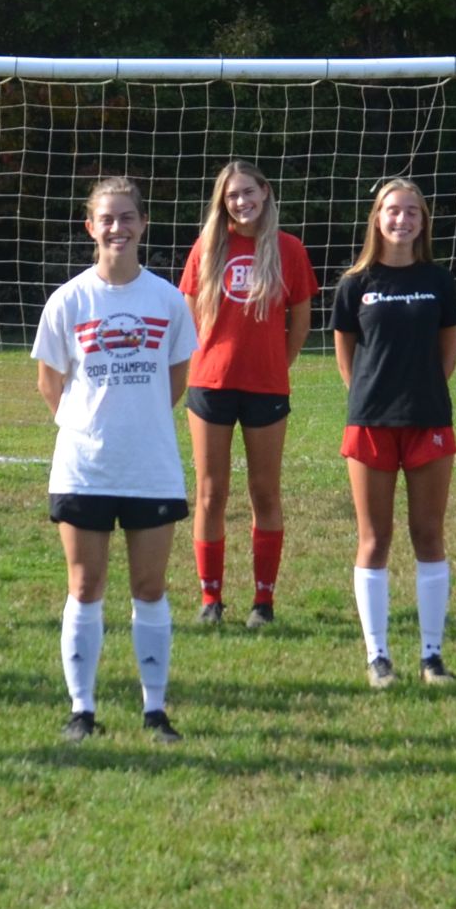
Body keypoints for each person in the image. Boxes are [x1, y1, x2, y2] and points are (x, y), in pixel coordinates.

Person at [33, 178, 200, 742]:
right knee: (85, 586)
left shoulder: (168, 300)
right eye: (107, 218)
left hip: (151, 466)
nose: (117, 228)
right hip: (85, 465)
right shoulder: (69, 300)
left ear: (143, 223)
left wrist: (137, 420)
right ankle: (82, 710)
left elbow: (175, 381)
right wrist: (88, 426)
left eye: (127, 217)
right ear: (91, 227)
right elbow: (50, 382)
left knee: (150, 588)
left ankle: (155, 710)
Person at [332, 178, 456, 687]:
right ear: (377, 218)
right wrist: (369, 393)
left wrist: (420, 390)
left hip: (428, 417)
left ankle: (432, 656)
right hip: (370, 422)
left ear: (422, 221)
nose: (402, 219)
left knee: (428, 535)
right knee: (374, 538)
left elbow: (446, 354)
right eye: (393, 210)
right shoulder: (355, 282)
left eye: (412, 211)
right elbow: (347, 353)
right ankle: (378, 656)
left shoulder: (439, 280)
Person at [176, 161, 315, 630]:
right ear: (223, 201)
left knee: (264, 492)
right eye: (232, 195)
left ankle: (263, 600)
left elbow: (300, 320)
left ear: (265, 193)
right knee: (211, 493)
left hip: (266, 387)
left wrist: (277, 362)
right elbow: (190, 316)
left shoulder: (288, 249)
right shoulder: (208, 247)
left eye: (248, 192)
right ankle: (210, 598)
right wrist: (212, 361)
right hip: (211, 385)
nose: (241, 202)